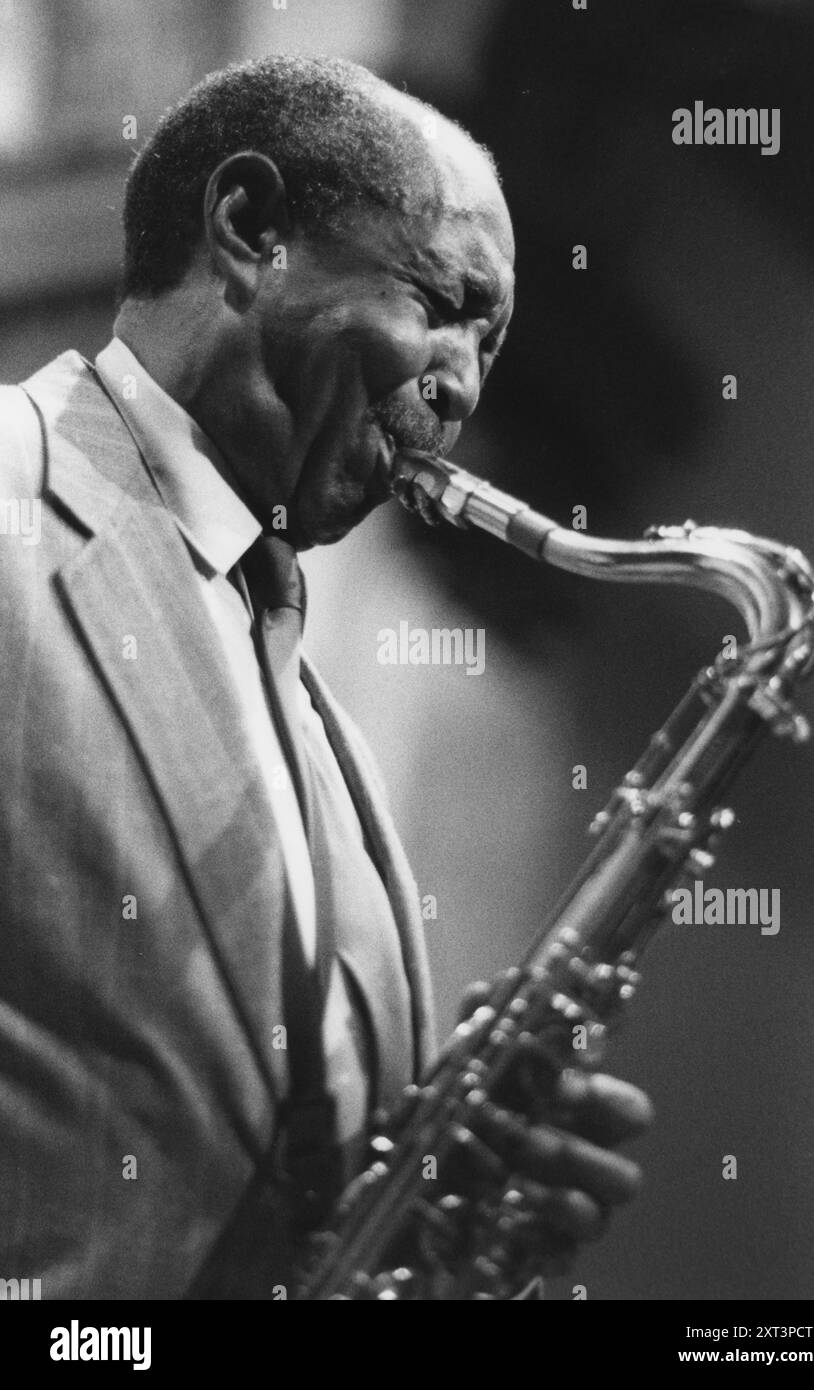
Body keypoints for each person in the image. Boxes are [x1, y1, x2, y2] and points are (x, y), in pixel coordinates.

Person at [0, 54, 651, 1300]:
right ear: (249, 231)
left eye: (491, 343)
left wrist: (437, 1177)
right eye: (446, 302)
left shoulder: (312, 716)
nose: (460, 384)